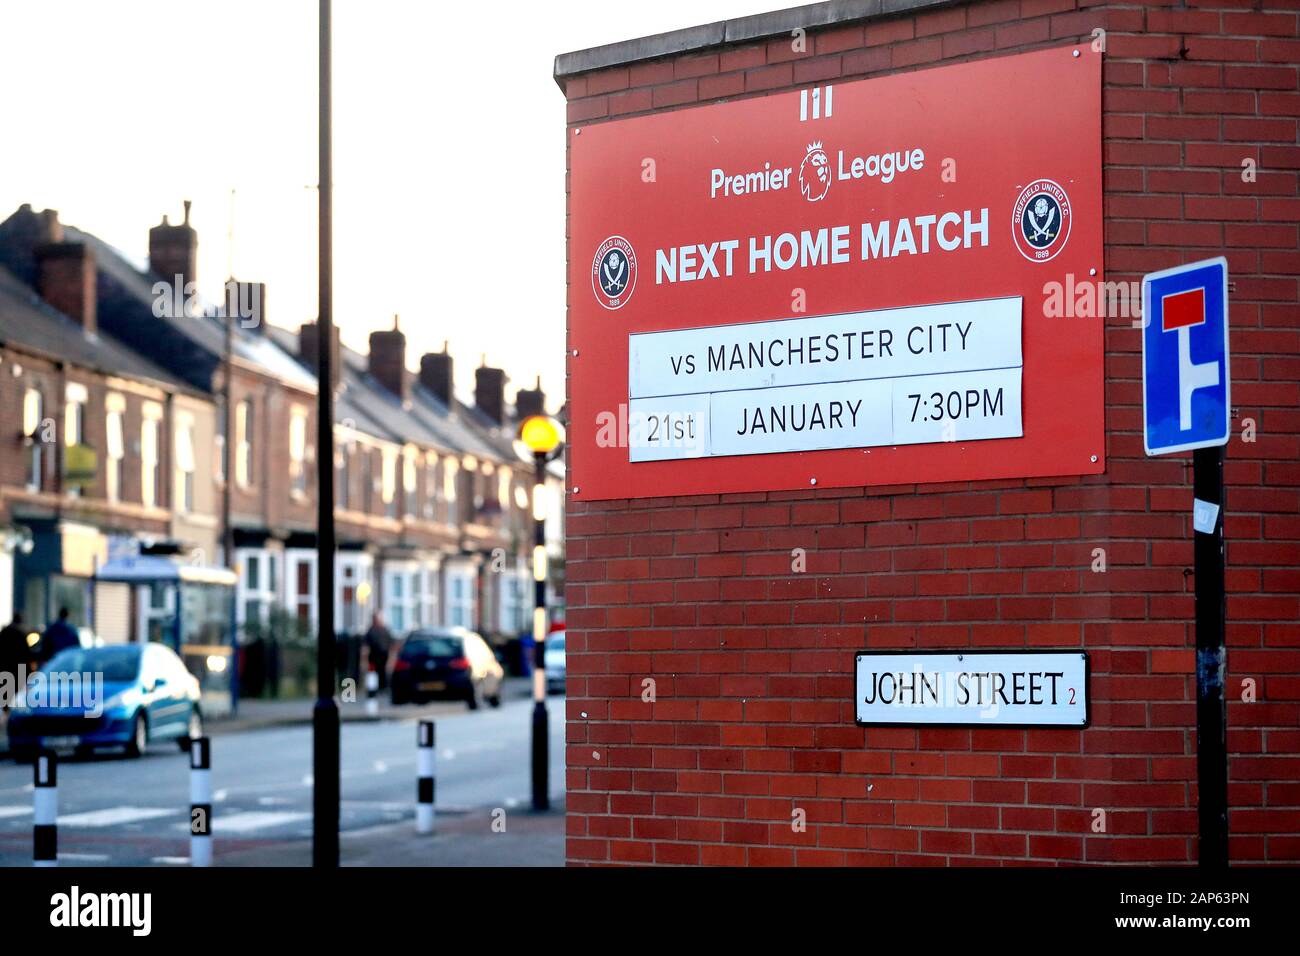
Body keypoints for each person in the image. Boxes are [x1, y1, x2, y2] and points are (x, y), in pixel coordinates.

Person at [0, 613, 31, 710]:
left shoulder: (5, 631)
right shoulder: (21, 634)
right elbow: (26, 654)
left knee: (5, 693)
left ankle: (6, 710)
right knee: (17, 693)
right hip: (18, 668)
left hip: (5, 666)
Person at [363, 612, 395, 691]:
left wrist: (392, 657)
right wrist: (364, 656)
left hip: (384, 656)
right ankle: (373, 688)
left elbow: (391, 643)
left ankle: (383, 688)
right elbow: (365, 644)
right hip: (373, 656)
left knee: (383, 672)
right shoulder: (370, 630)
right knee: (373, 673)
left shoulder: (385, 630)